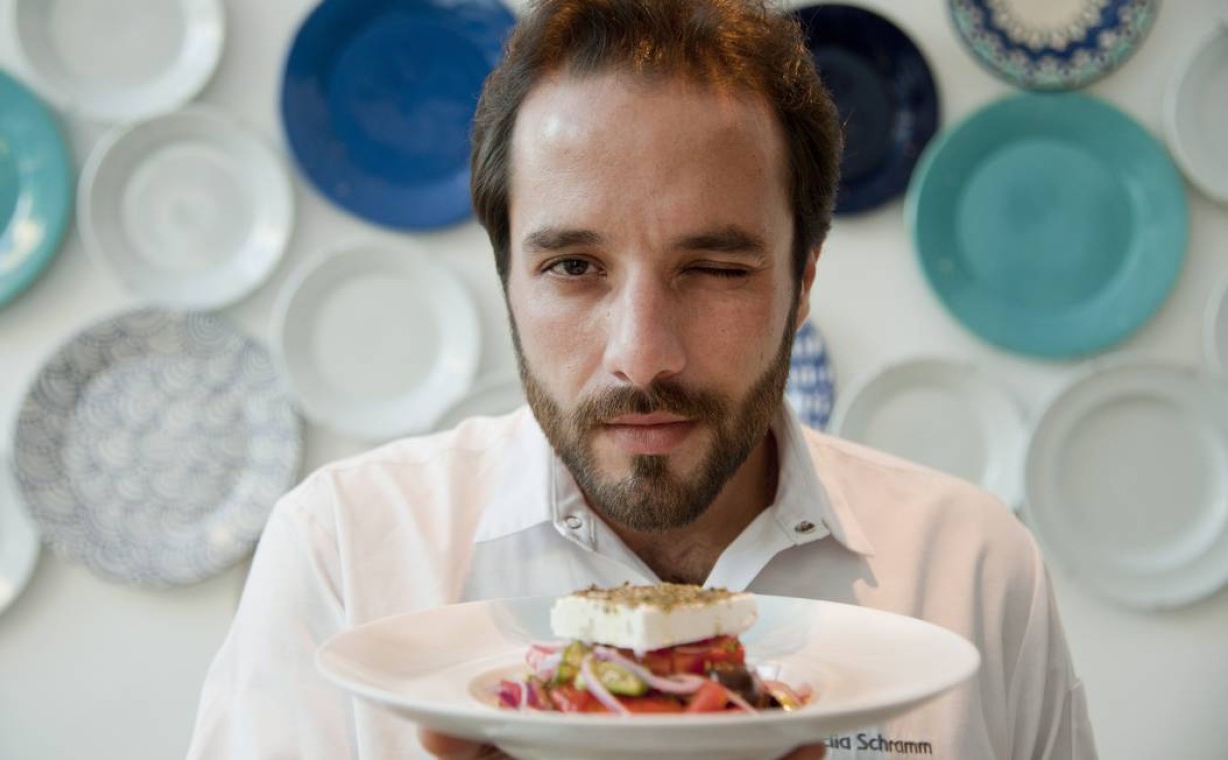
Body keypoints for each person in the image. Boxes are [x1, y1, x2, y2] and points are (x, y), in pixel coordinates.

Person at [187, 1, 1098, 758]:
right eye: (574, 267)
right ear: (506, 277)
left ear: (803, 280)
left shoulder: (969, 569)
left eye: (714, 269)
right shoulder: (345, 555)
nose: (643, 355)